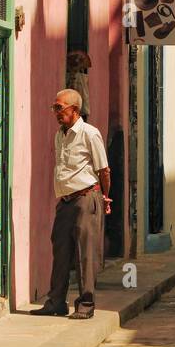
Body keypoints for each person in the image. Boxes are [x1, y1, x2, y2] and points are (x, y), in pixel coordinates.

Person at [33, 88, 111, 319]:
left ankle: (85, 305)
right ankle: (56, 301)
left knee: (85, 253)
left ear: (74, 110)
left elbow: (104, 170)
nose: (55, 112)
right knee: (61, 250)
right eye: (54, 108)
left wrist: (105, 196)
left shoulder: (89, 133)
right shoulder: (60, 134)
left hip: (86, 197)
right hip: (66, 200)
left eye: (59, 108)